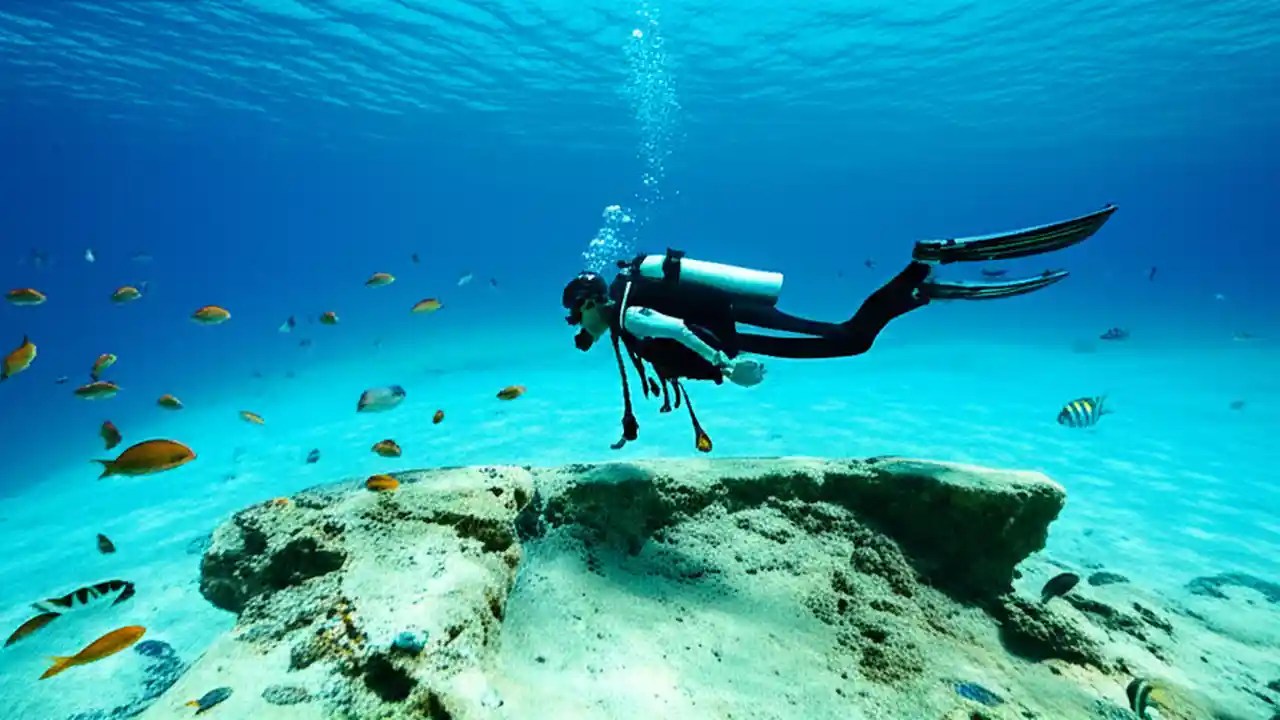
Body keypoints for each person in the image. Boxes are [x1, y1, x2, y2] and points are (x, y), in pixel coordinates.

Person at [562, 203, 1118, 452]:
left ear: (590, 302)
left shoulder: (629, 313)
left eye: (577, 314)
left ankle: (925, 266)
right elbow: (663, 333)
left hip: (739, 336)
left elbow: (680, 333)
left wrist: (729, 368)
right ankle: (921, 290)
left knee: (851, 339)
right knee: (851, 338)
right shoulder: (622, 311)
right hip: (739, 328)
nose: (578, 326)